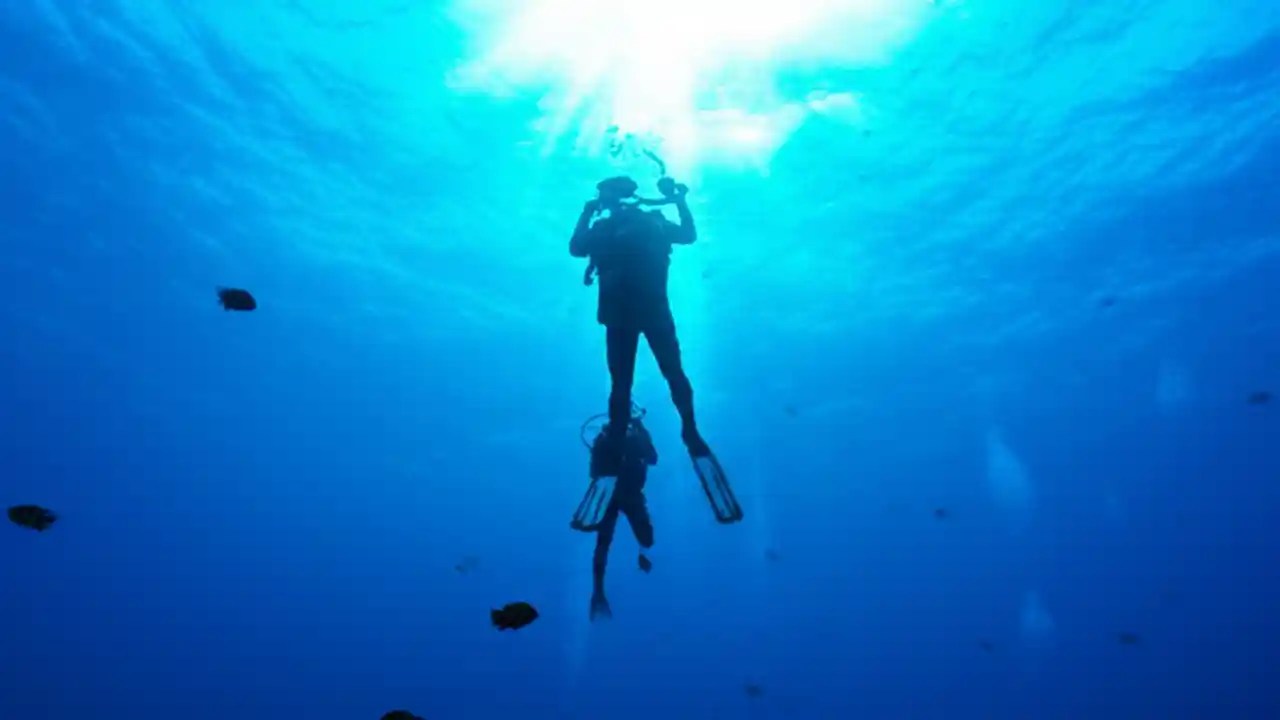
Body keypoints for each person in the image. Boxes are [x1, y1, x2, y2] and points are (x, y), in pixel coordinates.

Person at [569, 175, 709, 476]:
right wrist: (679, 199)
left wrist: (586, 212)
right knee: (672, 374)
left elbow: (575, 247)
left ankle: (621, 437)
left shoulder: (604, 228)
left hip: (620, 314)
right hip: (651, 310)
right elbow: (688, 234)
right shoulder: (651, 222)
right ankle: (690, 431)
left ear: (610, 197)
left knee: (623, 383)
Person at [589, 416, 658, 621]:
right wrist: (642, 429)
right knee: (642, 536)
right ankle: (643, 555)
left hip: (613, 497)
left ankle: (598, 591)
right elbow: (653, 458)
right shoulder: (633, 437)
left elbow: (593, 473)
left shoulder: (603, 439)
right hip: (628, 496)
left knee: (603, 544)